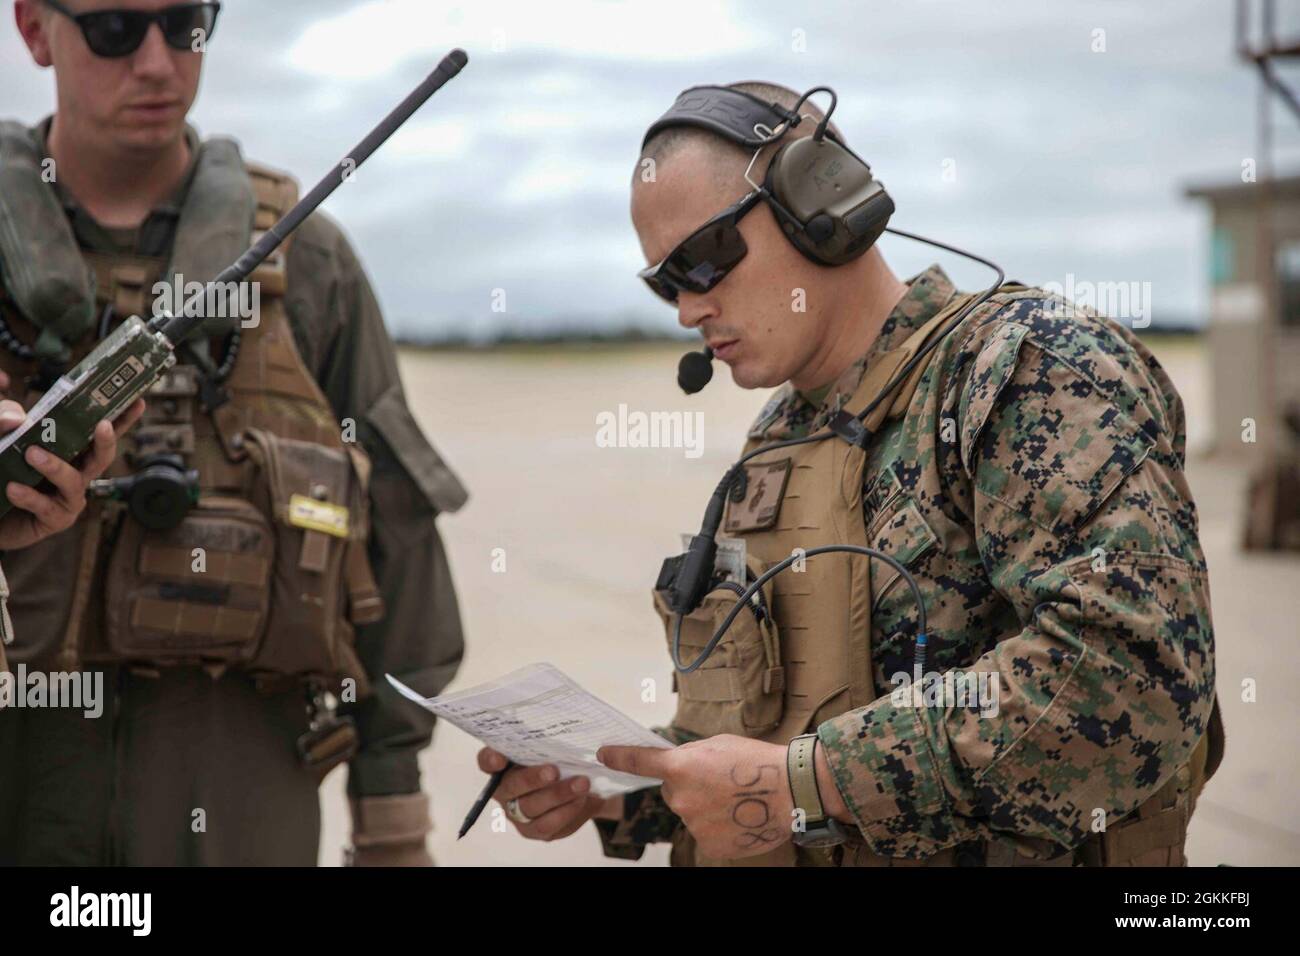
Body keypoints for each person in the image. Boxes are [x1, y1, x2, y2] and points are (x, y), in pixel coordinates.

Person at [477, 81, 1223, 867]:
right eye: (664, 282)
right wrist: (618, 789)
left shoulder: (1024, 367)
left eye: (699, 261)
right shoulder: (781, 436)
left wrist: (810, 784)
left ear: (820, 204)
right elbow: (771, 730)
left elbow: (1133, 678)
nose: (686, 311)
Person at [0, 0, 468, 866]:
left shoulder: (311, 266)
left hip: (235, 796)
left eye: (185, 25)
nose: (157, 63)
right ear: (35, 30)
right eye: (113, 31)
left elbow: (398, 539)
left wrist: (392, 825)